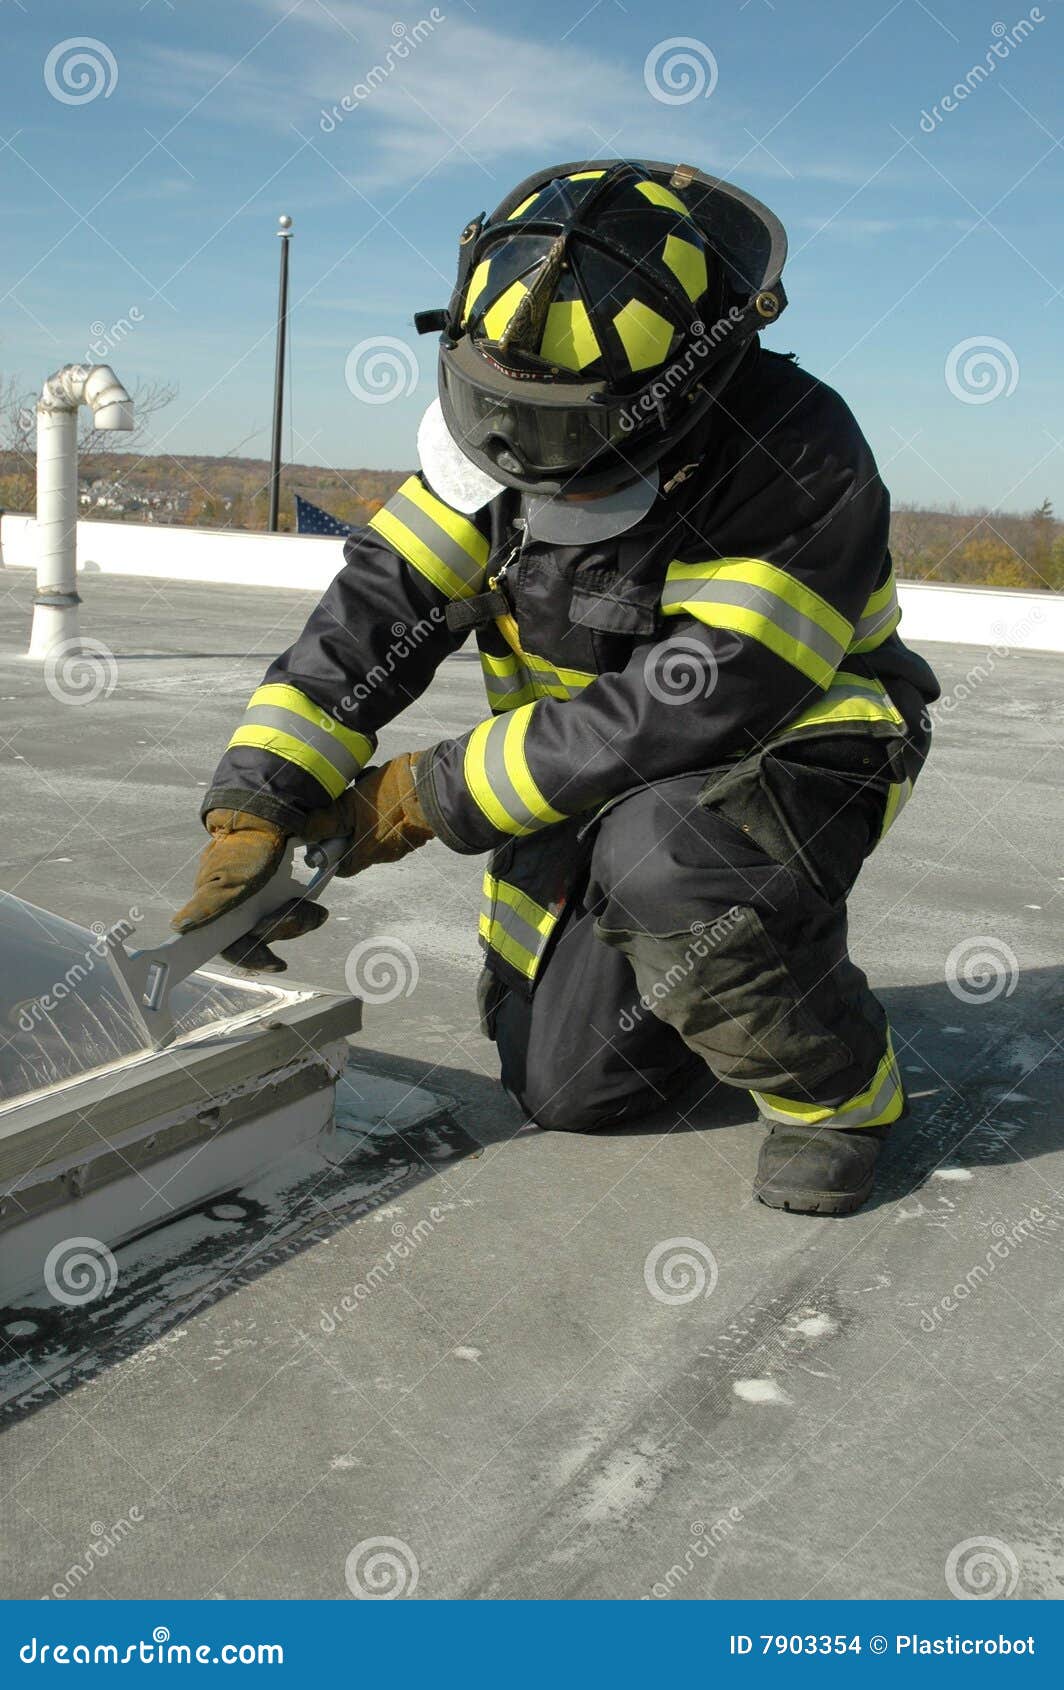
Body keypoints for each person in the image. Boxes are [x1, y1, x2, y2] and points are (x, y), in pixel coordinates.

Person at [173, 159, 939, 1216]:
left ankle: (838, 1094)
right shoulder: (511, 412)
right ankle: (720, 972)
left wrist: (417, 795)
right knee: (574, 1086)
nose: (534, 475)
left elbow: (698, 699)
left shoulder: (793, 451)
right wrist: (259, 799)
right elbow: (371, 618)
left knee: (666, 861)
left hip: (793, 746)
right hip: (597, 768)